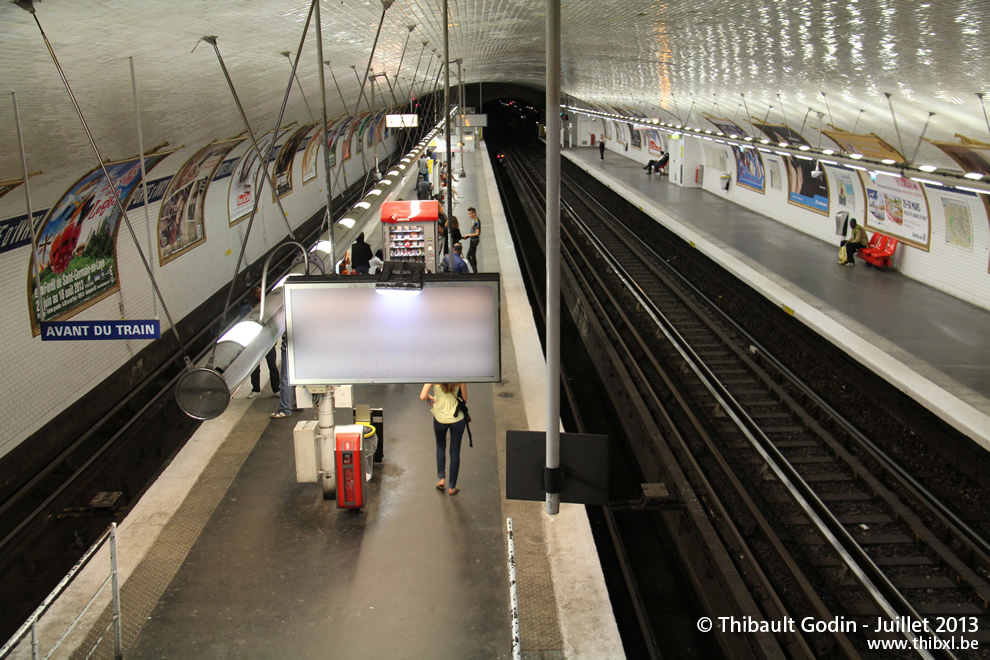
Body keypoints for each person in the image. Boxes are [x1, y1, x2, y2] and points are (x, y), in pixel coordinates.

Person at [420, 382, 468, 495]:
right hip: (457, 418)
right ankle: (452, 486)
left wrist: (430, 398)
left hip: (439, 418)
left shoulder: (433, 375)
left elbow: (422, 396)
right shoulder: (460, 377)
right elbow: (464, 399)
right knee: (455, 451)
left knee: (440, 446)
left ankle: (441, 479)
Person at [241, 287, 280, 399]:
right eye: (257, 293)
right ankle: (256, 389)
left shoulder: (267, 306)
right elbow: (243, 323)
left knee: (272, 365)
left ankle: (276, 388)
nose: (259, 294)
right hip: (254, 342)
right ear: (252, 295)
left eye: (260, 292)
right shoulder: (245, 309)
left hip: (267, 340)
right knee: (254, 367)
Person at [270, 332, 295, 419]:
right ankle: (299, 404)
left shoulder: (286, 318)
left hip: (288, 348)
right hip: (300, 347)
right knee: (297, 377)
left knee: (285, 379)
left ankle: (285, 409)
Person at [462, 207, 481, 272]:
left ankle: (475, 270)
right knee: (472, 255)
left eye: (470, 214)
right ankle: (475, 270)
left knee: (469, 256)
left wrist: (468, 235)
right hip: (472, 240)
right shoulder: (474, 220)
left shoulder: (477, 222)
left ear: (474, 213)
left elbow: (477, 233)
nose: (469, 215)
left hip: (474, 240)